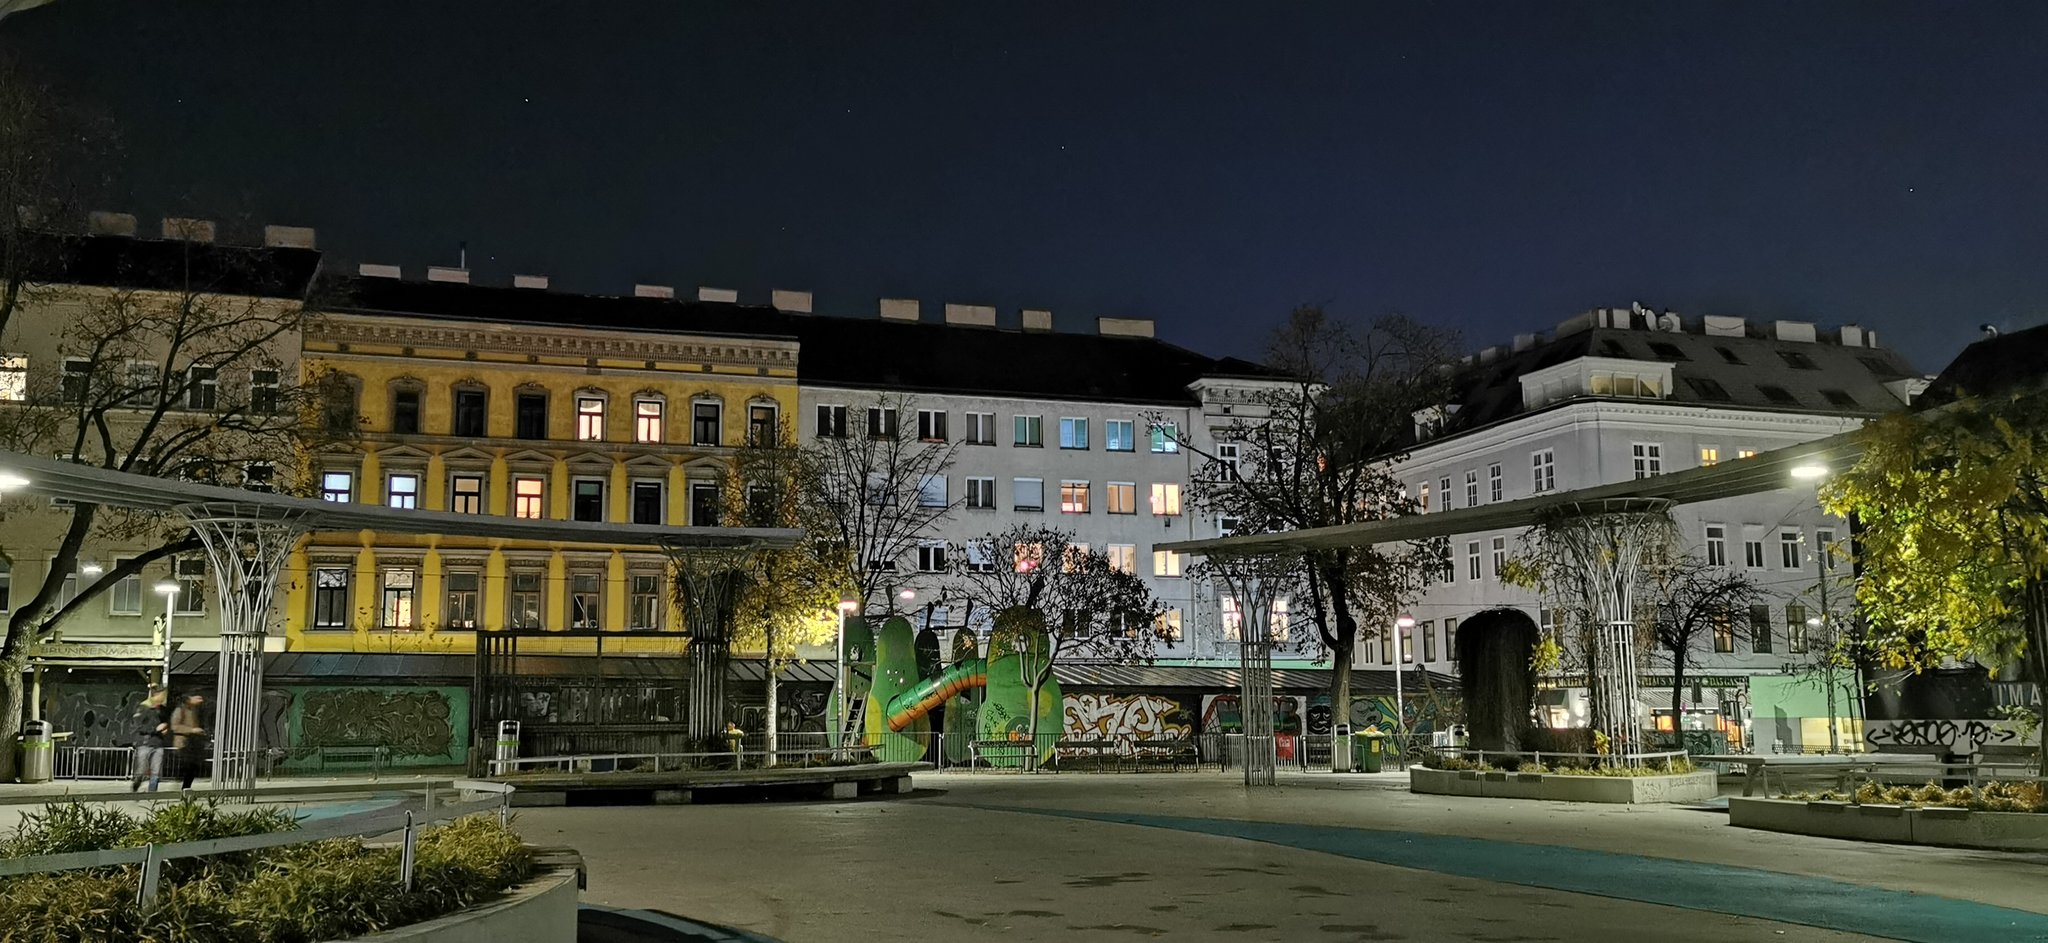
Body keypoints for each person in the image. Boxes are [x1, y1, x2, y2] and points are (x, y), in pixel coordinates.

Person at [127, 686, 169, 792]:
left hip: (158, 743)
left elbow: (165, 722)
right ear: (155, 695)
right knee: (141, 769)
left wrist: (165, 729)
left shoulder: (163, 710)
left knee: (156, 771)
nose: (163, 697)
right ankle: (136, 786)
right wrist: (155, 729)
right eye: (162, 695)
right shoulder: (143, 708)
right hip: (144, 743)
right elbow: (137, 726)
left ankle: (152, 794)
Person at [169, 692, 208, 790]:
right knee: (187, 766)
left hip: (193, 743)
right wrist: (192, 730)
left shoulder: (195, 711)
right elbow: (174, 726)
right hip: (184, 743)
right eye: (196, 697)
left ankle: (186, 788)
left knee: (192, 767)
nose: (199, 700)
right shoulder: (180, 710)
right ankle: (182, 786)